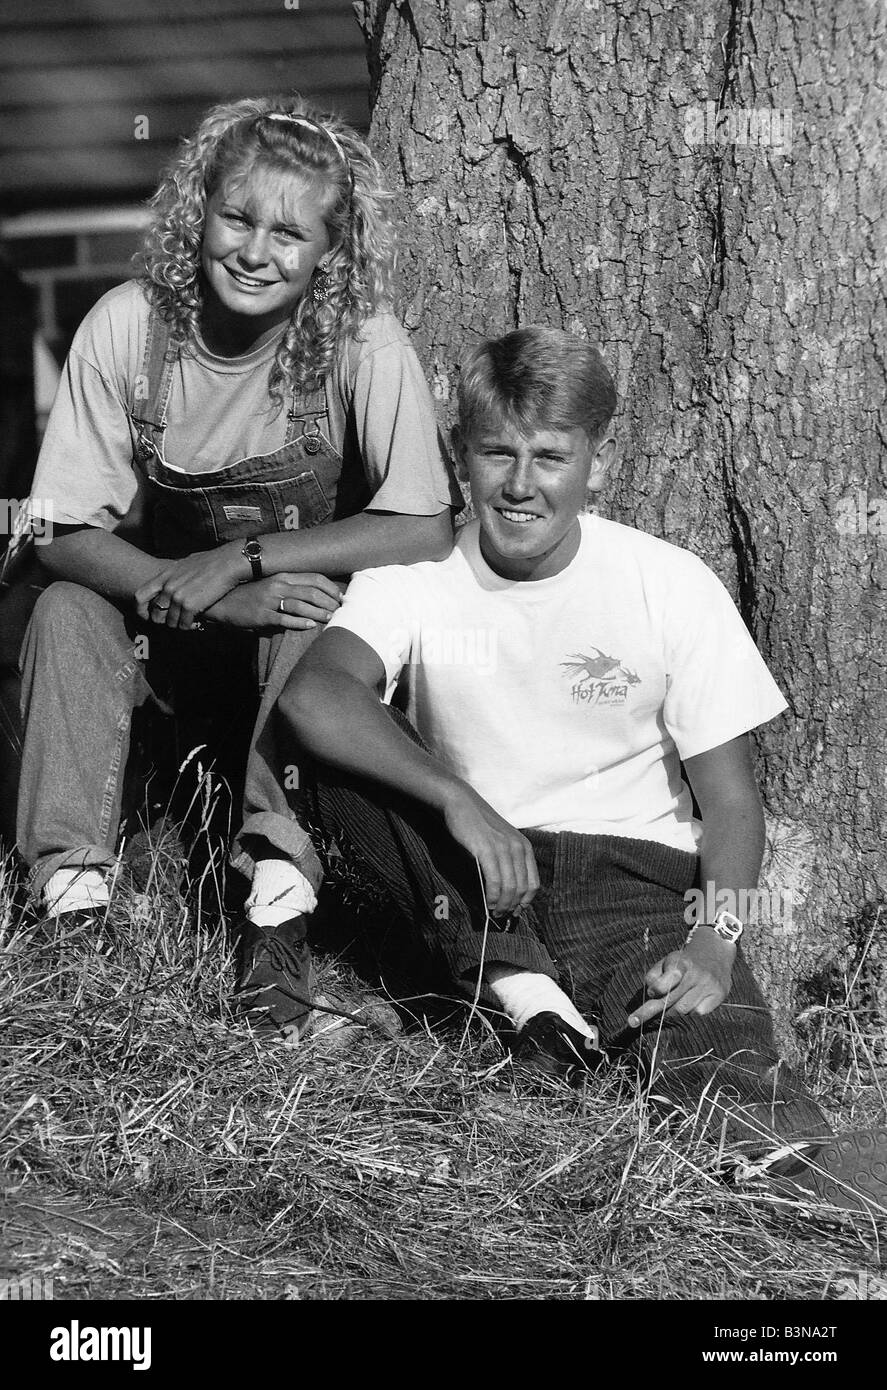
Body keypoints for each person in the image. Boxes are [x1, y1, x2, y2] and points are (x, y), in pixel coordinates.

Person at [273, 324, 887, 1214]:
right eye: (496, 454)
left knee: (715, 1073)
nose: (521, 485)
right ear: (460, 459)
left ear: (596, 461)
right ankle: (530, 998)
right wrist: (459, 800)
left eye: (551, 457)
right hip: (474, 867)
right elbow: (314, 696)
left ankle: (781, 1190)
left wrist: (715, 942)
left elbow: (731, 803)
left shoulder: (666, 583)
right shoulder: (417, 573)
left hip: (628, 875)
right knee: (340, 762)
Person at [16, 96, 462, 1037]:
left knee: (308, 616)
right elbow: (52, 527)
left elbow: (423, 525)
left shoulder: (359, 341)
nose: (256, 252)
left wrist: (243, 561)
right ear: (199, 212)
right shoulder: (130, 328)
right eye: (238, 218)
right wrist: (193, 591)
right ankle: (71, 909)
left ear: (329, 252)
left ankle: (278, 915)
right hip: (178, 633)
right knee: (62, 609)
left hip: (297, 659)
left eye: (290, 233)